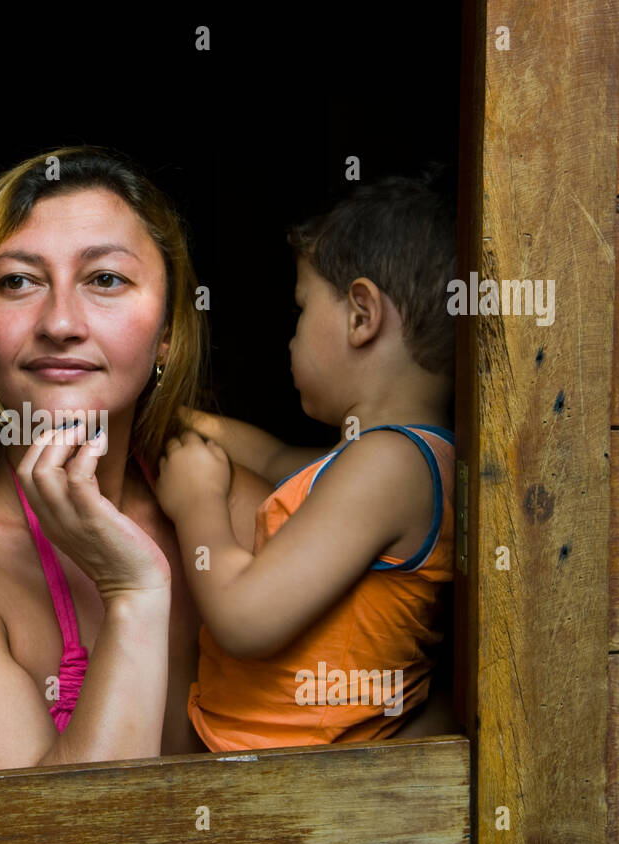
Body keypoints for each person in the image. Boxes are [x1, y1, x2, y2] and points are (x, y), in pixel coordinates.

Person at [0, 145, 212, 775]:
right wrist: (132, 593)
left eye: (105, 278)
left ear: (168, 333)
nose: (59, 322)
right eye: (18, 281)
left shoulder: (219, 508)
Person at [156, 172, 459, 751]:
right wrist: (182, 416)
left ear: (361, 315)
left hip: (293, 782)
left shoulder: (390, 465)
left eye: (300, 310)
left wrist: (197, 502)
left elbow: (244, 618)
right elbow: (272, 457)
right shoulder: (384, 457)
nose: (291, 339)